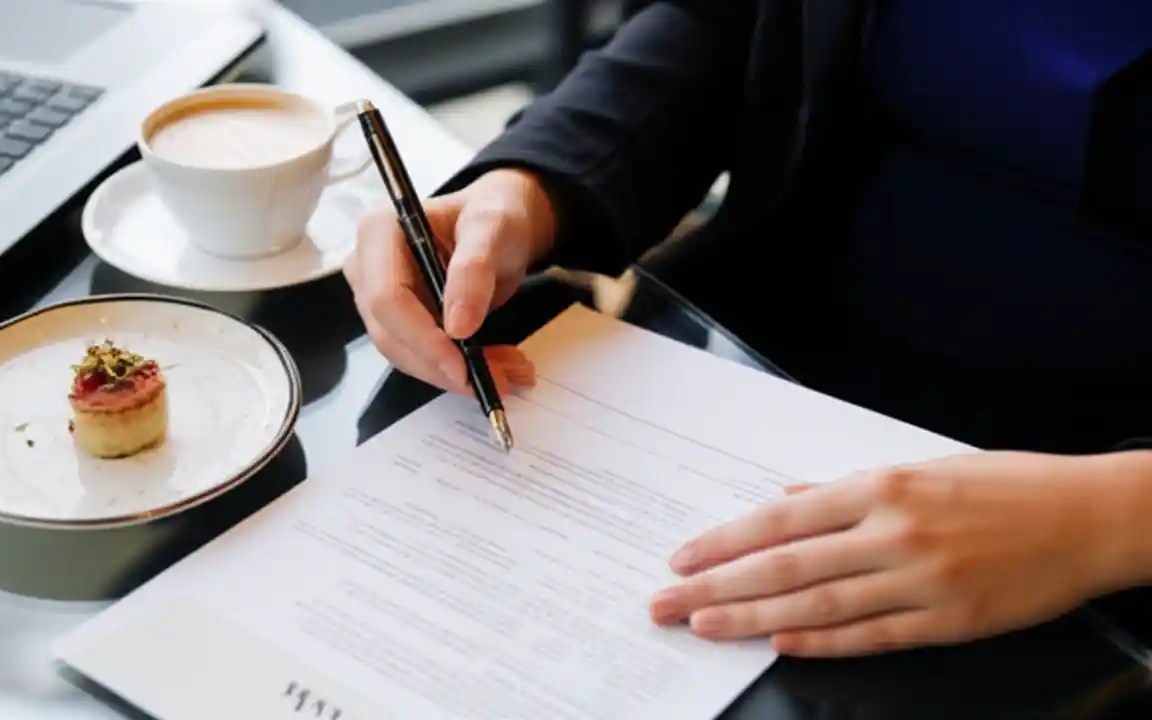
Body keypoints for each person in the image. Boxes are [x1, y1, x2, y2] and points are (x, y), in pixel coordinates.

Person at [342, 0, 1152, 657]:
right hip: (759, 357)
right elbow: (727, 21)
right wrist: (525, 190)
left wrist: (1112, 518)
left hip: (1099, 499)